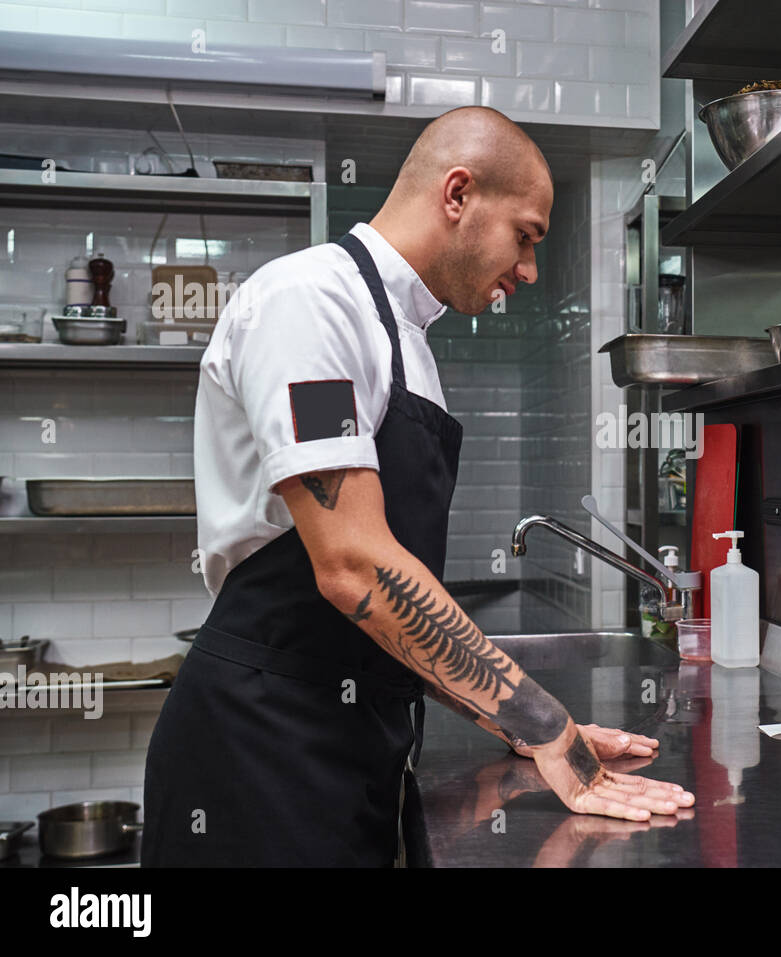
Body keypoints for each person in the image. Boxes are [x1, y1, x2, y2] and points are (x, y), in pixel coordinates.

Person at [142, 106, 694, 867]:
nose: (529, 269)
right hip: (258, 751)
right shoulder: (311, 304)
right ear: (458, 193)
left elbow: (397, 609)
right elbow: (358, 567)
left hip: (356, 747)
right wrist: (544, 725)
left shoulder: (408, 343)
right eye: (526, 235)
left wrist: (528, 728)